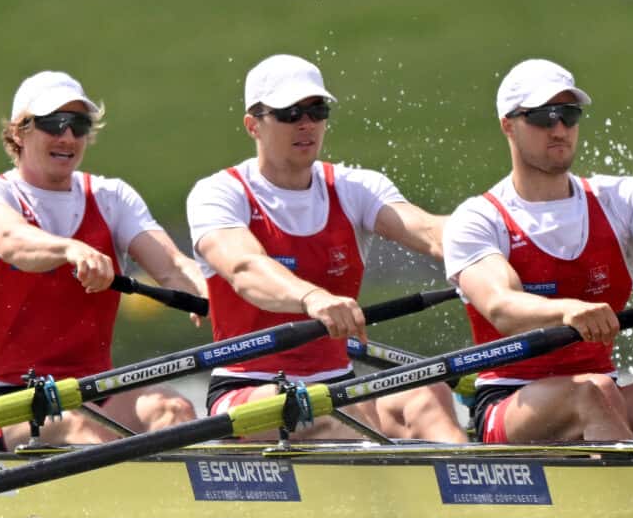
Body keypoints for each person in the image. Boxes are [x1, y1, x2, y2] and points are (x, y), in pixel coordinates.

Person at [444, 59, 633, 444]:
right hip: (511, 403)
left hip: (604, 392)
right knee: (590, 392)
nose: (559, 129)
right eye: (543, 117)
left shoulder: (621, 198)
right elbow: (502, 307)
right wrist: (568, 310)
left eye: (569, 114)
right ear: (508, 125)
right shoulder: (480, 218)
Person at [187, 54, 466, 442]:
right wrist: (311, 298)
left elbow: (431, 232)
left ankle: (470, 477)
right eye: (290, 113)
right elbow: (244, 269)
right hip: (248, 392)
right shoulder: (219, 194)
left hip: (338, 387)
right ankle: (393, 467)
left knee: (429, 394)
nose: (306, 124)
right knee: (327, 408)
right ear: (253, 125)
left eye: (317, 111)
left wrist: (496, 245)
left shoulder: (355, 188)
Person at [0, 70, 206, 447]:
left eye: (79, 125)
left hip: (95, 390)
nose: (68, 137)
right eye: (53, 123)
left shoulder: (111, 197)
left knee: (173, 410)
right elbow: (11, 241)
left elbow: (173, 266)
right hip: (8, 401)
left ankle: (165, 484)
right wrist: (70, 249)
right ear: (19, 132)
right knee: (79, 426)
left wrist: (212, 291)